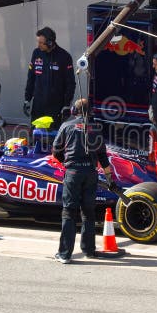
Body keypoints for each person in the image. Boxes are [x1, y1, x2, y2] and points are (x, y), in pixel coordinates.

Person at [51, 98, 114, 264]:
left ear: (73, 111)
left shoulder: (66, 125)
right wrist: (109, 178)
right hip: (91, 174)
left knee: (69, 212)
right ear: (91, 112)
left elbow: (55, 150)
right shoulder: (96, 128)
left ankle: (64, 254)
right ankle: (89, 250)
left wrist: (65, 163)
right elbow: (103, 157)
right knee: (88, 213)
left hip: (73, 172)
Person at [24, 26, 75, 129]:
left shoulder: (64, 56)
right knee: (36, 136)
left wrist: (66, 105)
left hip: (55, 107)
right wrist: (27, 99)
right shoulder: (36, 53)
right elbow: (31, 77)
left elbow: (70, 83)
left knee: (54, 139)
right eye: (38, 42)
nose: (38, 45)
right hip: (38, 105)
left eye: (41, 43)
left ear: (50, 43)